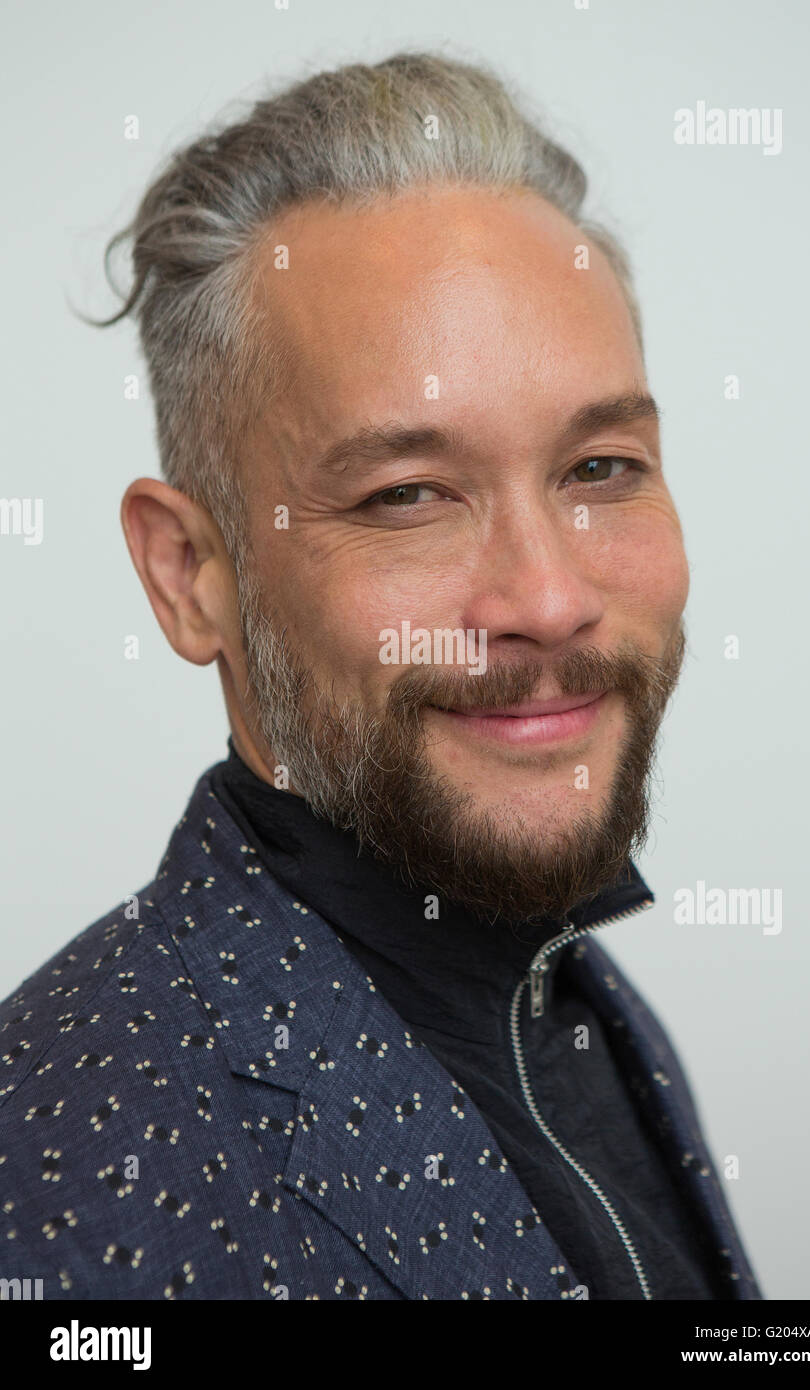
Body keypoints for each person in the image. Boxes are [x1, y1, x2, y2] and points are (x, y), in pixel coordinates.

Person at [0, 51, 761, 1301]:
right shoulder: (54, 1187)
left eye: (599, 468)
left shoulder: (574, 1008)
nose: (548, 599)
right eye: (407, 495)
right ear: (191, 572)